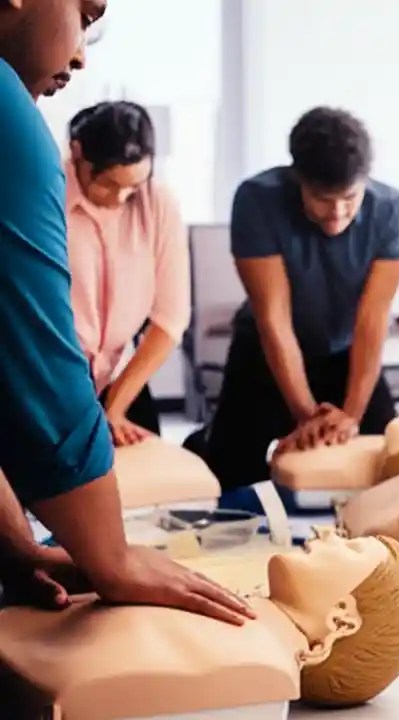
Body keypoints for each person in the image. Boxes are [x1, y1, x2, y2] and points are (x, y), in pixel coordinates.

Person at [0, 0, 250, 623]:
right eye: (85, 14)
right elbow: (38, 362)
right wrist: (110, 556)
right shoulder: (15, 127)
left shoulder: (157, 204)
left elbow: (168, 317)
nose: (83, 53)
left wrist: (12, 544)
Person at [195, 107, 399, 490]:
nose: (336, 214)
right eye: (321, 199)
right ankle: (207, 439)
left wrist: (350, 415)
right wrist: (306, 417)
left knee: (389, 467)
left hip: (347, 352)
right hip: (265, 350)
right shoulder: (256, 199)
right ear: (297, 179)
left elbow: (372, 320)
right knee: (230, 475)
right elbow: (273, 320)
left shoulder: (394, 209)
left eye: (349, 198)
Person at [65, 101, 189, 447]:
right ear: (77, 154)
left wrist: (115, 408)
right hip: (53, 379)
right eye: (107, 184)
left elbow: (169, 318)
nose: (120, 198)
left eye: (132, 187)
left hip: (121, 379)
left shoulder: (158, 202)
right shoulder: (48, 194)